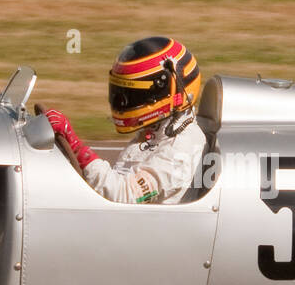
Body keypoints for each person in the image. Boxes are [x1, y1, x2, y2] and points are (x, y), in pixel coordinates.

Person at [45, 37, 208, 204]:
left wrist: (76, 147)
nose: (122, 103)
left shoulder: (179, 153)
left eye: (133, 96)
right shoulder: (157, 132)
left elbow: (122, 196)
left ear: (171, 95)